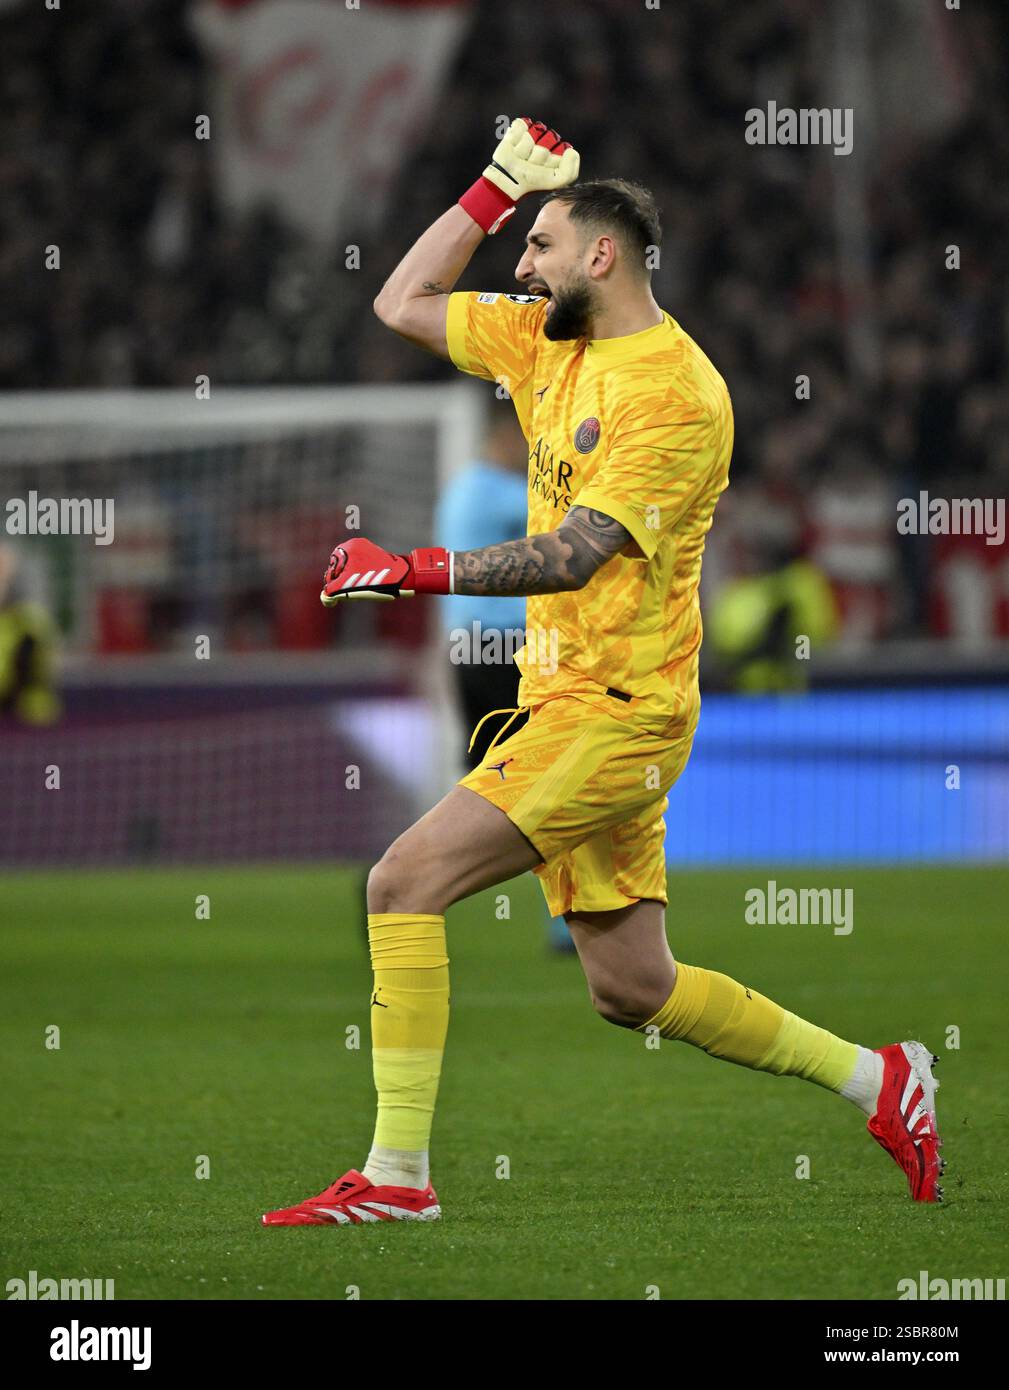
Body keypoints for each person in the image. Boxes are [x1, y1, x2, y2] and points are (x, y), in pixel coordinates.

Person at [262, 118, 942, 1226]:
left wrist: (412, 569)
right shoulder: (544, 343)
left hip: (619, 712)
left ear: (602, 257)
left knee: (400, 883)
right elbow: (397, 303)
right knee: (633, 988)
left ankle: (395, 1180)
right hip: (565, 698)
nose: (518, 265)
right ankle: (882, 1079)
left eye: (537, 243)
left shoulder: (677, 395)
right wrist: (491, 188)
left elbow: (578, 552)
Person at [437, 410, 574, 952]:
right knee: (547, 779)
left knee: (486, 777)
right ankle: (566, 915)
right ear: (502, 437)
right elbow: (569, 536)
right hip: (509, 651)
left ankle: (416, 873)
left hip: (468, 648)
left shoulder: (460, 491)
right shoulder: (500, 494)